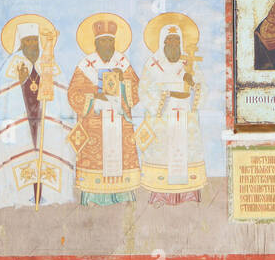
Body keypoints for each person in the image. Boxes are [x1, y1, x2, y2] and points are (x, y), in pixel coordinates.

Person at [0, 18, 77, 208]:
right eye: (27, 41)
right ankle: (22, 195)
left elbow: (62, 94)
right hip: (22, 122)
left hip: (46, 122)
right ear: (21, 44)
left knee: (48, 151)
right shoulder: (11, 65)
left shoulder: (49, 63)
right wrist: (20, 82)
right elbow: (3, 98)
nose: (31, 45)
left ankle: (49, 194)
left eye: (34, 41)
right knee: (23, 154)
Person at [68, 16, 141, 205]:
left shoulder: (123, 63)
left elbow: (136, 91)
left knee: (120, 159)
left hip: (119, 122)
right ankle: (93, 197)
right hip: (95, 125)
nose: (107, 45)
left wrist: (123, 82)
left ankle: (122, 195)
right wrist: (94, 97)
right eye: (103, 41)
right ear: (96, 43)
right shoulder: (86, 66)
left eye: (111, 41)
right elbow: (74, 95)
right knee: (95, 159)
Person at [139, 17, 206, 204]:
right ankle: (161, 193)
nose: (174, 44)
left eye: (177, 40)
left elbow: (202, 88)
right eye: (170, 41)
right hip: (163, 116)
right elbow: (144, 90)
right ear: (163, 42)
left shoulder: (189, 62)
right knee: (164, 153)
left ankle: (188, 193)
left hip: (185, 113)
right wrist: (164, 96)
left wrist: (193, 85)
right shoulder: (152, 64)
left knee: (185, 151)